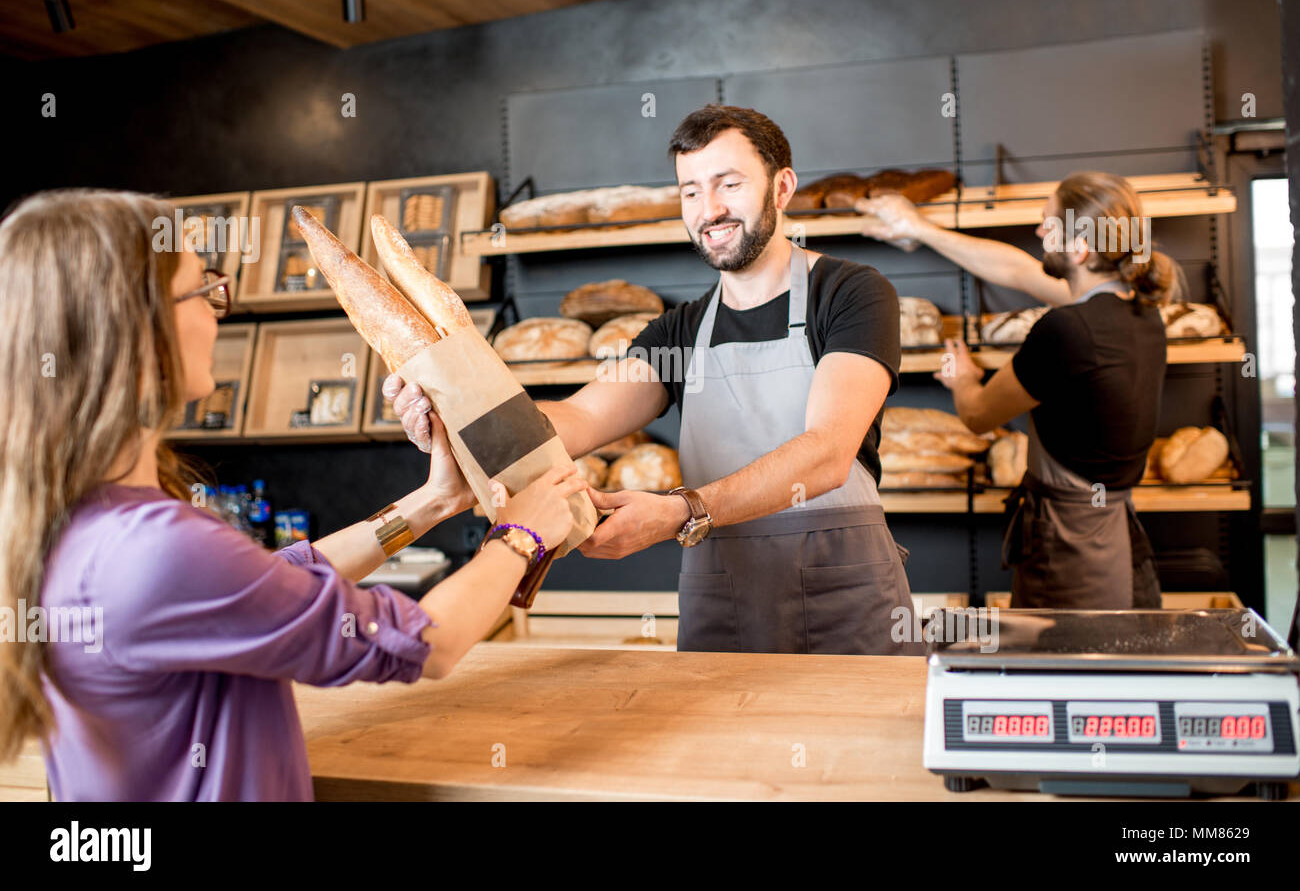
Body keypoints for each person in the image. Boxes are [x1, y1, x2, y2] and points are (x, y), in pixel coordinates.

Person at [0, 189, 586, 800]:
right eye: (203, 289)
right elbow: (423, 643)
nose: (216, 311)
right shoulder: (154, 549)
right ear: (137, 325)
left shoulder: (81, 518)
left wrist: (433, 500)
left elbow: (258, 585)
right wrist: (521, 535)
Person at [389, 104, 919, 655]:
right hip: (726, 600)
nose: (709, 210)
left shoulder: (851, 293)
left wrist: (681, 511)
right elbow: (583, 417)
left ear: (782, 188)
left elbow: (827, 453)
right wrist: (458, 413)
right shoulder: (682, 332)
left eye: (728, 184)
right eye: (690, 192)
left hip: (844, 598)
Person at [856, 171, 1175, 608]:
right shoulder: (1143, 315)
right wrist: (920, 229)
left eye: (1049, 223)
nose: (1039, 230)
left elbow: (978, 416)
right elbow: (1019, 272)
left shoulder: (1065, 330)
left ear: (1080, 248)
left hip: (1068, 543)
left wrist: (963, 377)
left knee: (1058, 665)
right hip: (1116, 533)